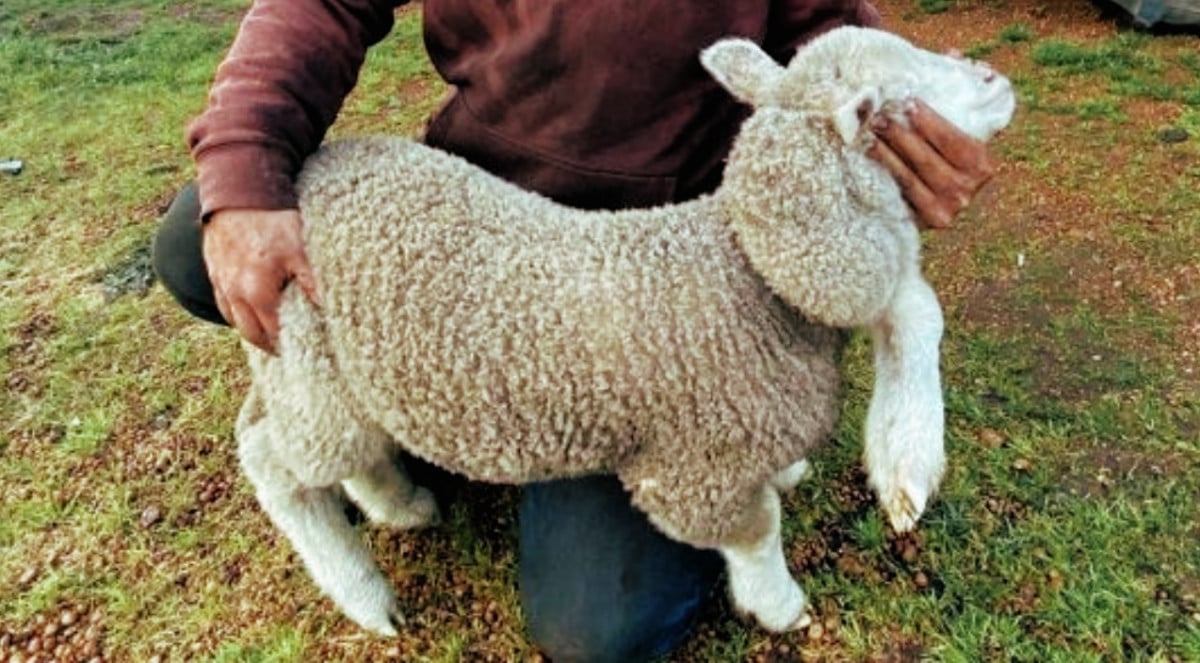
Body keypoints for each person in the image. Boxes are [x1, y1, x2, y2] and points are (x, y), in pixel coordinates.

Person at [152, 1, 997, 660]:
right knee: (204, 234)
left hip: (670, 253)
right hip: (479, 214)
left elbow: (827, 31)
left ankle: (522, 451)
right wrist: (244, 167)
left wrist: (915, 126)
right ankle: (365, 442)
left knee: (599, 628)